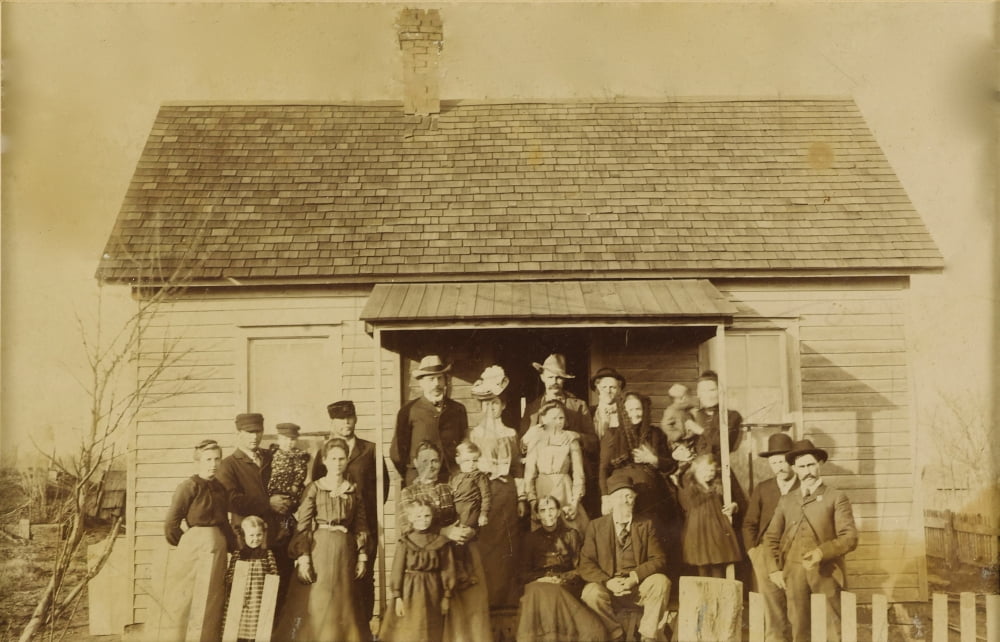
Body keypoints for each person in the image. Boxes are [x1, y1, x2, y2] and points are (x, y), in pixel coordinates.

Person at [275, 438, 371, 642]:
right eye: (333, 458)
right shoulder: (315, 488)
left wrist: (362, 555)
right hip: (320, 551)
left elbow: (361, 525)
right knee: (317, 601)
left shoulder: (353, 490)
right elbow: (303, 525)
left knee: (343, 603)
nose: (338, 463)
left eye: (342, 459)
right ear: (325, 461)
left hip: (345, 552)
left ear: (347, 461)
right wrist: (304, 557)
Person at [763, 439, 859, 642]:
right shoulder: (787, 500)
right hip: (793, 573)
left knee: (833, 629)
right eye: (801, 467)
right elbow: (770, 537)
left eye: (811, 465)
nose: (807, 471)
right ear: (795, 469)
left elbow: (849, 537)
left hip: (826, 571)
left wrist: (821, 553)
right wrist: (773, 569)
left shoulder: (836, 497)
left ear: (820, 465)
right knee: (799, 627)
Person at [397, 440, 493, 642]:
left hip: (455, 556)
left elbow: (467, 511)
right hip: (426, 563)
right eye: (425, 461)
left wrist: (470, 530)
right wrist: (444, 531)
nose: (431, 466)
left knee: (467, 609)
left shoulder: (448, 487)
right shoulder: (408, 493)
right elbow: (407, 529)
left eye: (435, 461)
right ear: (415, 462)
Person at [312, 399, 390, 624]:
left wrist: (366, 512)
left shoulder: (370, 450)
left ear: (355, 419)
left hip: (364, 527)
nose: (346, 422)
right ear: (332, 422)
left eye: (350, 417)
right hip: (335, 529)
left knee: (364, 576)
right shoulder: (325, 452)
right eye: (340, 419)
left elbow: (382, 485)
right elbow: (317, 485)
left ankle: (363, 628)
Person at [578, 472, 671, 642]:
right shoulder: (596, 526)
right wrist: (608, 582)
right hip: (609, 590)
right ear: (611, 502)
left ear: (634, 500)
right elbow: (585, 563)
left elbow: (659, 559)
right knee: (590, 593)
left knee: (661, 582)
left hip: (638, 588)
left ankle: (648, 637)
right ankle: (616, 635)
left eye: (629, 496)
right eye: (620, 497)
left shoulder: (645, 524)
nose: (625, 501)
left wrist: (635, 577)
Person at [161, 439, 238, 642]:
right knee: (187, 598)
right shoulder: (189, 486)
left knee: (211, 598)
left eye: (217, 459)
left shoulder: (221, 488)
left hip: (218, 548)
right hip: (193, 550)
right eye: (208, 459)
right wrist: (186, 544)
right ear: (198, 461)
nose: (213, 464)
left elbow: (224, 523)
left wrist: (235, 548)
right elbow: (171, 523)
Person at [216, 413, 293, 610]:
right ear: (238, 433)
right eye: (249, 432)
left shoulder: (272, 457)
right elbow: (232, 501)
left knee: (280, 593)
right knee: (248, 598)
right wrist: (269, 503)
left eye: (258, 431)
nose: (254, 437)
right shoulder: (228, 465)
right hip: (248, 542)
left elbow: (286, 485)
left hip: (277, 536)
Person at [467, 365, 527, 609]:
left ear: (503, 405)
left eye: (496, 403)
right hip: (485, 495)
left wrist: (522, 498)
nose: (491, 408)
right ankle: (487, 603)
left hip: (507, 495)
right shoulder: (475, 434)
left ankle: (506, 602)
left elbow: (517, 469)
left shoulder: (510, 433)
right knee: (486, 548)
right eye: (487, 403)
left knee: (507, 548)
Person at [516, 495, 607, 642]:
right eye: (543, 510)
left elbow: (581, 567)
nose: (548, 514)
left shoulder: (571, 535)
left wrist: (560, 579)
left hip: (565, 585)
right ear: (537, 515)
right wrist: (542, 579)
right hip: (538, 585)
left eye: (552, 509)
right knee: (537, 591)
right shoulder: (530, 539)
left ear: (558, 512)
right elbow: (522, 573)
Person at [520, 354, 599, 517]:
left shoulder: (578, 405)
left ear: (564, 380)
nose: (555, 381)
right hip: (543, 480)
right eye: (550, 377)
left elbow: (593, 442)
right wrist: (526, 439)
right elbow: (520, 448)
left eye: (559, 378)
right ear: (542, 377)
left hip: (574, 480)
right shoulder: (532, 409)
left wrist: (576, 435)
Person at [742, 432, 799, 642]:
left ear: (792, 461)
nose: (779, 467)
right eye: (774, 463)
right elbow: (749, 524)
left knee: (797, 603)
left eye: (783, 461)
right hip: (766, 554)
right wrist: (753, 552)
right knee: (772, 606)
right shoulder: (764, 488)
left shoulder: (802, 487)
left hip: (795, 552)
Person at [379, 500, 456, 642]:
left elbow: (447, 569)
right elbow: (397, 569)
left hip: (433, 591)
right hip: (410, 592)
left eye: (427, 516)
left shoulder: (440, 542)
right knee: (409, 629)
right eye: (418, 517)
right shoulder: (406, 541)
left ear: (432, 517)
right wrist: (397, 597)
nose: (423, 520)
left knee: (432, 630)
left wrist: (446, 595)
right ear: (410, 518)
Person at [391, 355, 469, 486]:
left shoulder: (458, 409)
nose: (436, 384)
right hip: (419, 480)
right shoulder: (408, 411)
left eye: (440, 378)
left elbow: (464, 442)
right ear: (421, 383)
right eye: (431, 379)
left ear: (445, 381)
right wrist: (412, 474)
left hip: (452, 480)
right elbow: (397, 453)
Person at [524, 399, 589, 535]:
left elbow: (579, 474)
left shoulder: (571, 439)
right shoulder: (535, 439)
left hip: (565, 491)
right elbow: (529, 475)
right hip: (542, 488)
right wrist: (533, 504)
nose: (558, 421)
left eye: (561, 418)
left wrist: (575, 502)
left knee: (571, 531)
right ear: (543, 419)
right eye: (554, 418)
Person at [678, 454, 743, 578]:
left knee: (717, 562)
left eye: (712, 470)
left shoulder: (718, 485)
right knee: (702, 563)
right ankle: (706, 594)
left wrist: (734, 505)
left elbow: (732, 500)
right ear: (696, 470)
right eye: (705, 470)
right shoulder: (690, 485)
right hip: (699, 530)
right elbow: (690, 502)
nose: (709, 474)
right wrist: (700, 481)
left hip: (717, 529)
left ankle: (718, 593)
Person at [222, 515, 279, 642]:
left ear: (263, 535)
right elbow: (230, 573)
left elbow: (273, 575)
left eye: (258, 535)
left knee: (257, 627)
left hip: (258, 598)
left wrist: (269, 593)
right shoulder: (239, 554)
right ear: (244, 536)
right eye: (251, 535)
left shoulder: (267, 554)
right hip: (240, 598)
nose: (255, 539)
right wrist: (232, 585)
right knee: (236, 625)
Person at [449, 440, 491, 590]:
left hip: (471, 511)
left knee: (463, 539)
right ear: (458, 460)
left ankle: (467, 572)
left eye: (475, 460)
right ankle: (461, 571)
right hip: (458, 513)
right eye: (467, 460)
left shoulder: (479, 477)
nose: (471, 464)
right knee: (457, 541)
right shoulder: (455, 477)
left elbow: (486, 496)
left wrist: (483, 514)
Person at [267, 423, 310, 544]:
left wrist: (295, 485)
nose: (288, 443)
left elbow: (301, 473)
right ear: (278, 438)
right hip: (274, 490)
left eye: (292, 439)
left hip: (290, 490)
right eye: (285, 439)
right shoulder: (273, 453)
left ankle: (285, 529)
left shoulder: (298, 456)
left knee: (287, 509)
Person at [690, 371, 743, 460]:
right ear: (698, 394)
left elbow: (722, 445)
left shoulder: (731, 416)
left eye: (712, 390)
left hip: (719, 468)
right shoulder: (694, 415)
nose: (708, 395)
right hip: (695, 468)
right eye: (703, 391)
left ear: (720, 392)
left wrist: (701, 431)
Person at [659, 383, 701, 482]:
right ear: (681, 399)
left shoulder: (685, 411)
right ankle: (676, 474)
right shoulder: (671, 411)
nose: (689, 399)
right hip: (677, 443)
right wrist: (677, 434)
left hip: (687, 441)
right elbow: (665, 425)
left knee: (692, 459)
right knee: (686, 459)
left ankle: (680, 474)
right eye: (687, 397)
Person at [590, 367, 627, 441]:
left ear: (619, 390)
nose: (608, 391)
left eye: (612, 387)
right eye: (604, 387)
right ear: (598, 389)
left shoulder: (626, 412)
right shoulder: (589, 413)